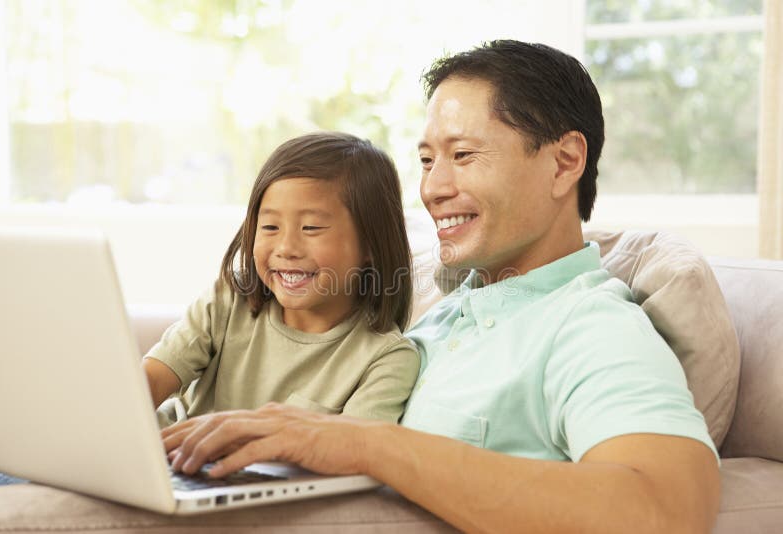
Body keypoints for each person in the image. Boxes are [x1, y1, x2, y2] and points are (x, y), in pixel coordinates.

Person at [160, 41, 721, 533]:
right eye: (427, 161)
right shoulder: (441, 309)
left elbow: (668, 510)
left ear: (564, 161)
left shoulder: (592, 327)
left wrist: (364, 444)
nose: (432, 188)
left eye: (462, 155)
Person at [141, 131, 419, 427]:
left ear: (370, 244)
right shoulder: (228, 300)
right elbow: (149, 383)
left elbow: (354, 454)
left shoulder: (386, 358)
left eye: (311, 228)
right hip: (164, 452)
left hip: (257, 474)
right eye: (270, 227)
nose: (286, 248)